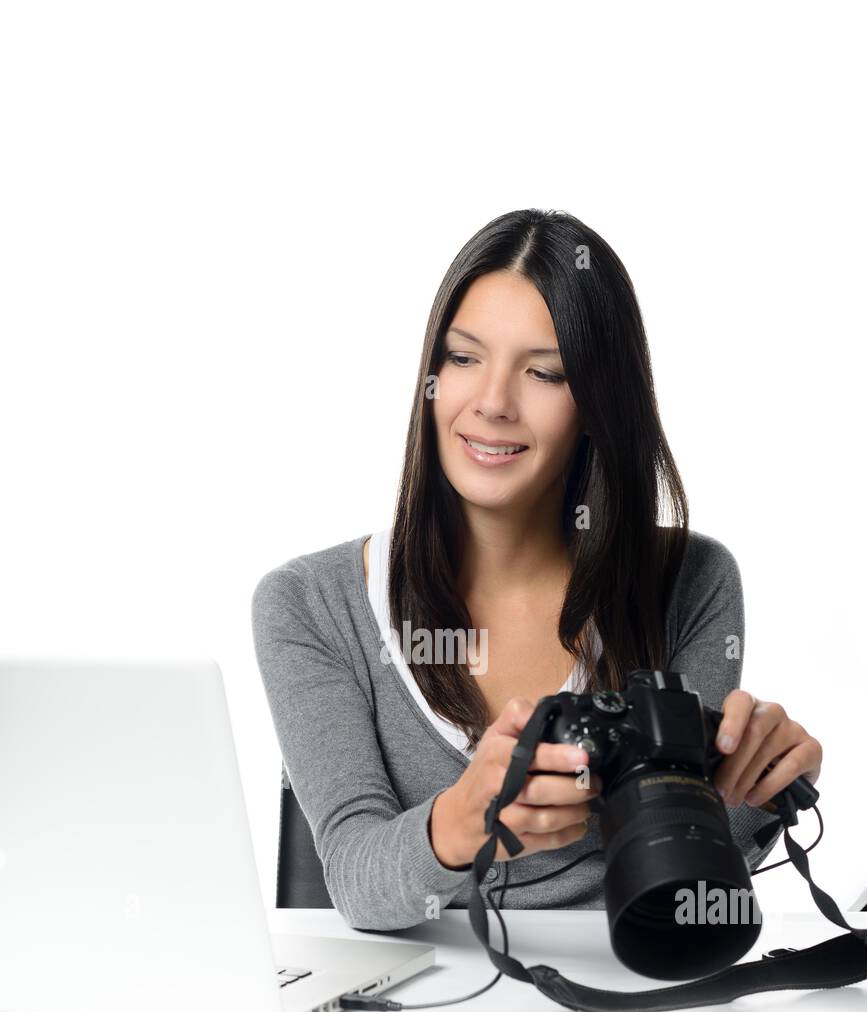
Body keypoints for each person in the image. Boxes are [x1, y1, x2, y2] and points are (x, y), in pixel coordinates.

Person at [251, 209, 822, 932]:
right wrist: (460, 820)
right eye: (462, 359)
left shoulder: (690, 580)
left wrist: (762, 787)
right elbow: (355, 882)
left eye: (544, 372)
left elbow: (676, 878)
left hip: (634, 1008)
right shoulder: (309, 604)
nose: (491, 402)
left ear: (597, 404)